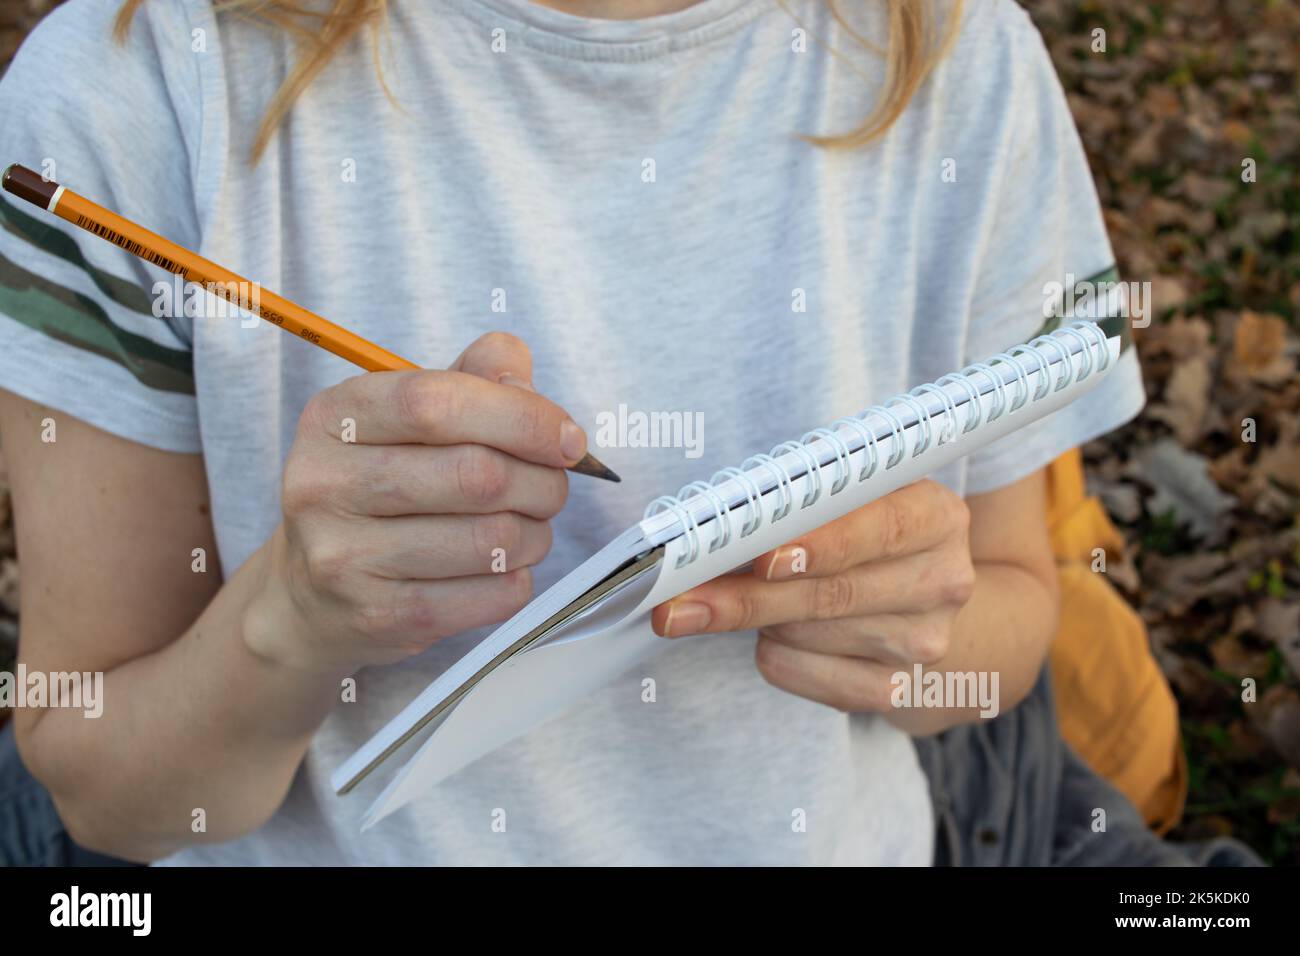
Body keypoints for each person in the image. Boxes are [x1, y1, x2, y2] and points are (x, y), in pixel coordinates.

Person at [0, 0, 1153, 865]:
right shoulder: (135, 83)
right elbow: (107, 797)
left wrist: (908, 635)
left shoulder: (954, 48)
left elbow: (1013, 614)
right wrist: (288, 622)